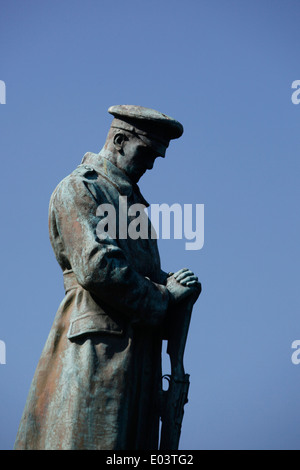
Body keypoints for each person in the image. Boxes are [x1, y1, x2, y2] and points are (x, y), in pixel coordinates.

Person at [14, 105, 201, 450]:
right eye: (145, 152)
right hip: (98, 356)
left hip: (139, 360)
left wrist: (177, 286)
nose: (150, 165)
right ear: (118, 140)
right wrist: (164, 297)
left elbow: (144, 273)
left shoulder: (134, 209)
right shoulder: (80, 188)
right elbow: (98, 266)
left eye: (156, 158)